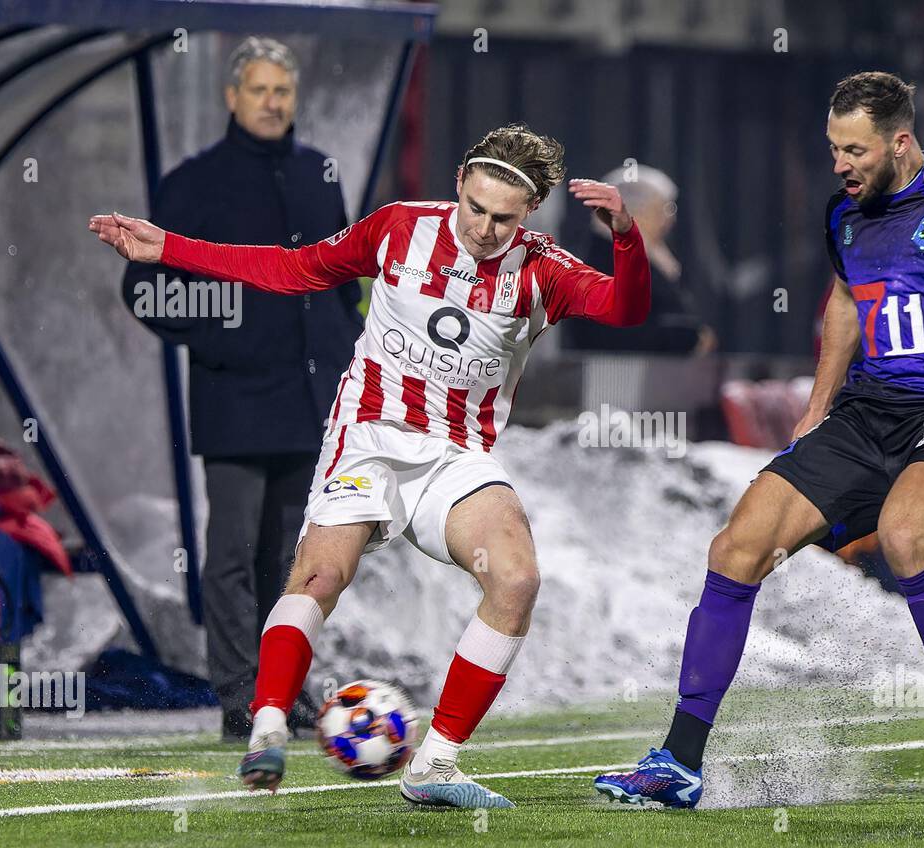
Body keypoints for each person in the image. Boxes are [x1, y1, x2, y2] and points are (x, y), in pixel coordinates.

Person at [92, 123, 651, 807]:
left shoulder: (544, 270)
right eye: (475, 208)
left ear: (528, 212)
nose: (483, 227)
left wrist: (626, 237)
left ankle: (435, 767)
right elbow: (294, 270)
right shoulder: (398, 229)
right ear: (458, 186)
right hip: (369, 436)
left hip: (455, 455)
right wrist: (170, 248)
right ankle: (266, 728)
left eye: (502, 218)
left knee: (517, 578)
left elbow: (627, 309)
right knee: (321, 573)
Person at [594, 72, 924, 813]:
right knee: (735, 549)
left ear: (900, 140)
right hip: (864, 413)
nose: (840, 164)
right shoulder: (845, 214)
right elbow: (844, 305)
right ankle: (681, 761)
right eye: (832, 148)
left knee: (904, 537)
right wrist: (816, 408)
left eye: (854, 149)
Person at [121, 37, 362, 741]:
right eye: (258, 90)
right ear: (232, 97)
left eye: (282, 91)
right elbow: (144, 286)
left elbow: (342, 278)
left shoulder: (322, 173)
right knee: (229, 551)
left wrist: (348, 352)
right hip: (232, 397)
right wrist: (226, 337)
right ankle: (238, 693)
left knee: (293, 557)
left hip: (310, 399)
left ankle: (282, 689)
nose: (272, 103)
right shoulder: (194, 181)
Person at [565, 166, 715, 355]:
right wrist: (687, 337)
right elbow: (618, 333)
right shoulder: (607, 262)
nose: (670, 220)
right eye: (666, 209)